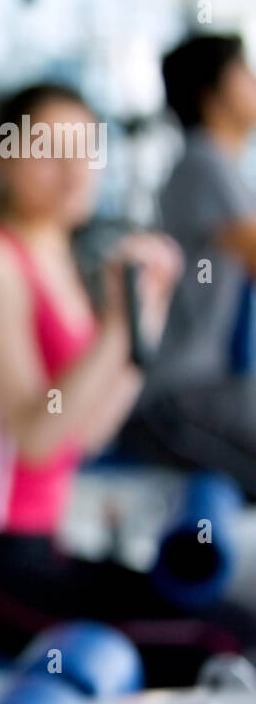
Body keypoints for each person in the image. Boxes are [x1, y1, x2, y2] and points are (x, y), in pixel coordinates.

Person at [0, 82, 256, 688]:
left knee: (233, 621)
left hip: (41, 547)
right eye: (49, 149)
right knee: (225, 641)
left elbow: (90, 429)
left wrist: (143, 315)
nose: (74, 169)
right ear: (1, 158)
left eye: (85, 149)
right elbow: (36, 437)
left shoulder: (55, 255)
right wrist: (116, 327)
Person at [120, 33, 256, 500]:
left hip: (208, 387)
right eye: (245, 73)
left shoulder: (221, 165)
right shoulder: (203, 161)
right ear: (211, 93)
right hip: (177, 397)